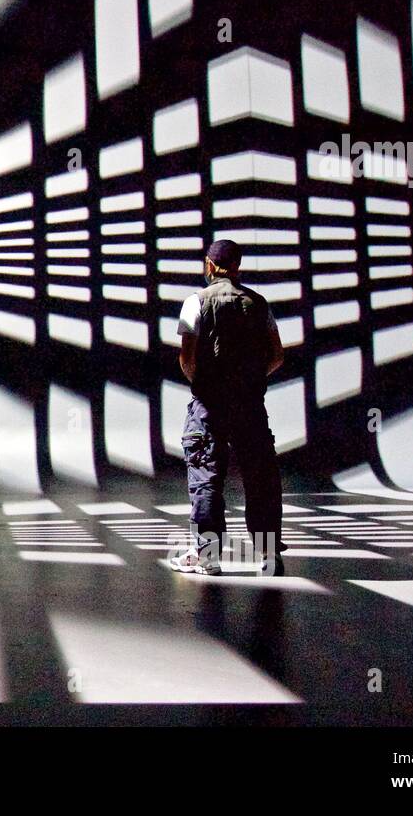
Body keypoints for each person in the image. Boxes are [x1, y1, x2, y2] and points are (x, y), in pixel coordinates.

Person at [170, 239, 286, 577]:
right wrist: (251, 380)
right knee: (260, 476)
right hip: (249, 403)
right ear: (237, 267)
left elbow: (186, 356)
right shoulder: (258, 304)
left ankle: (207, 556)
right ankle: (268, 556)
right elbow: (277, 355)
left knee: (206, 475)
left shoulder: (195, 302)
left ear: (209, 265)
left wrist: (203, 384)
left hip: (210, 403)